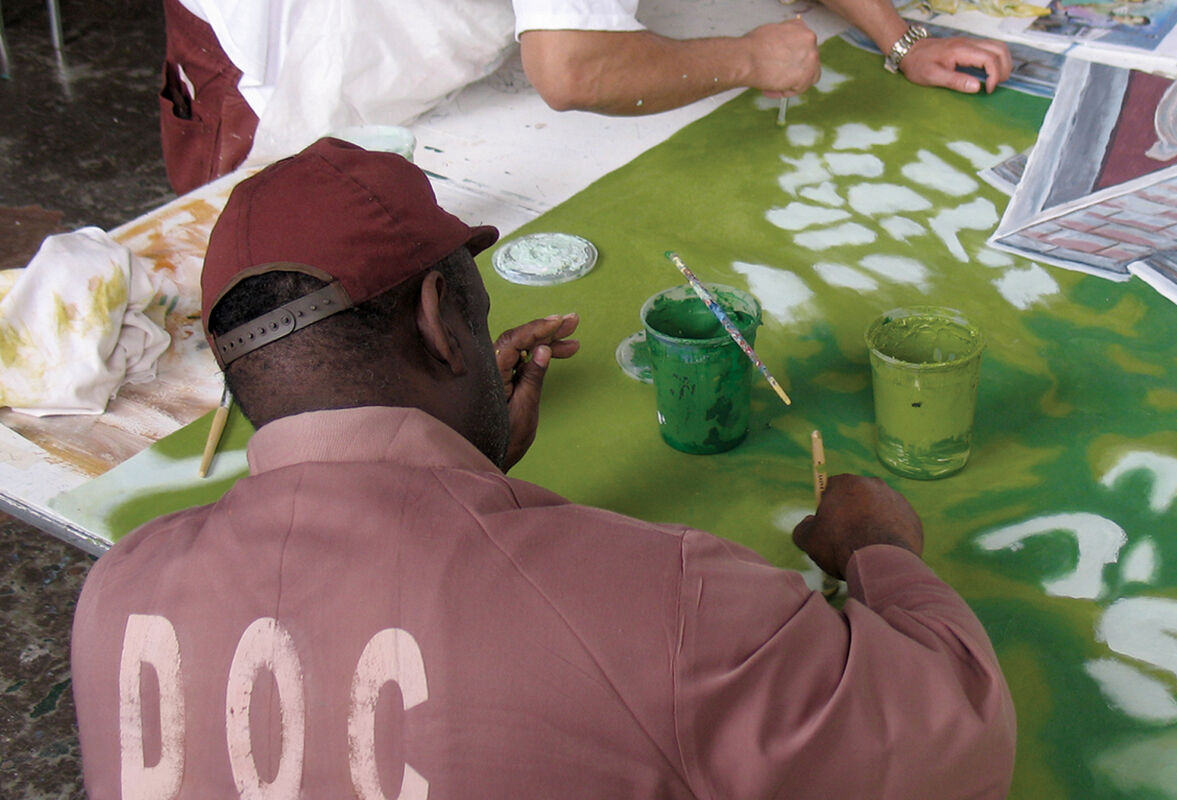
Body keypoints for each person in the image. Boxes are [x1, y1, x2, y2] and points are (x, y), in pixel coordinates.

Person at [71, 137, 1017, 797]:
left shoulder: (117, 593)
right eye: (476, 309)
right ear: (440, 321)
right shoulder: (664, 606)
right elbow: (959, 741)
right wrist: (881, 550)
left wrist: (468, 465)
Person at [159, 0, 1015, 193]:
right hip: (283, 73)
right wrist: (751, 57)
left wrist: (899, 39)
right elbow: (574, 69)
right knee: (273, 311)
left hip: (428, 61)